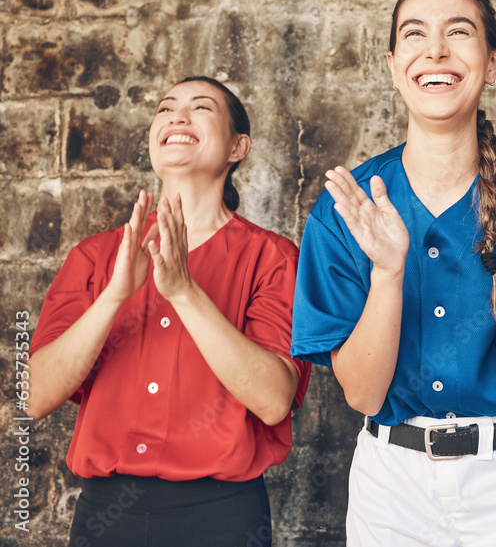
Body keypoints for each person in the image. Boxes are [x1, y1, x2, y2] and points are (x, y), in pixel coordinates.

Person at [291, 0, 496, 546]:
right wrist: (387, 272)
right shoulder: (348, 207)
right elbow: (362, 395)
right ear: (391, 63)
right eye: (414, 34)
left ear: (495, 61)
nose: (435, 50)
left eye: (459, 32)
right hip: (392, 484)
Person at [29, 76, 310, 547]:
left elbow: (273, 399)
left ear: (238, 147)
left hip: (222, 515)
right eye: (165, 109)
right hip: (104, 515)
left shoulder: (273, 258)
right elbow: (33, 396)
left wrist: (183, 291)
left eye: (201, 107)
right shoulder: (95, 256)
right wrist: (115, 295)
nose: (178, 116)